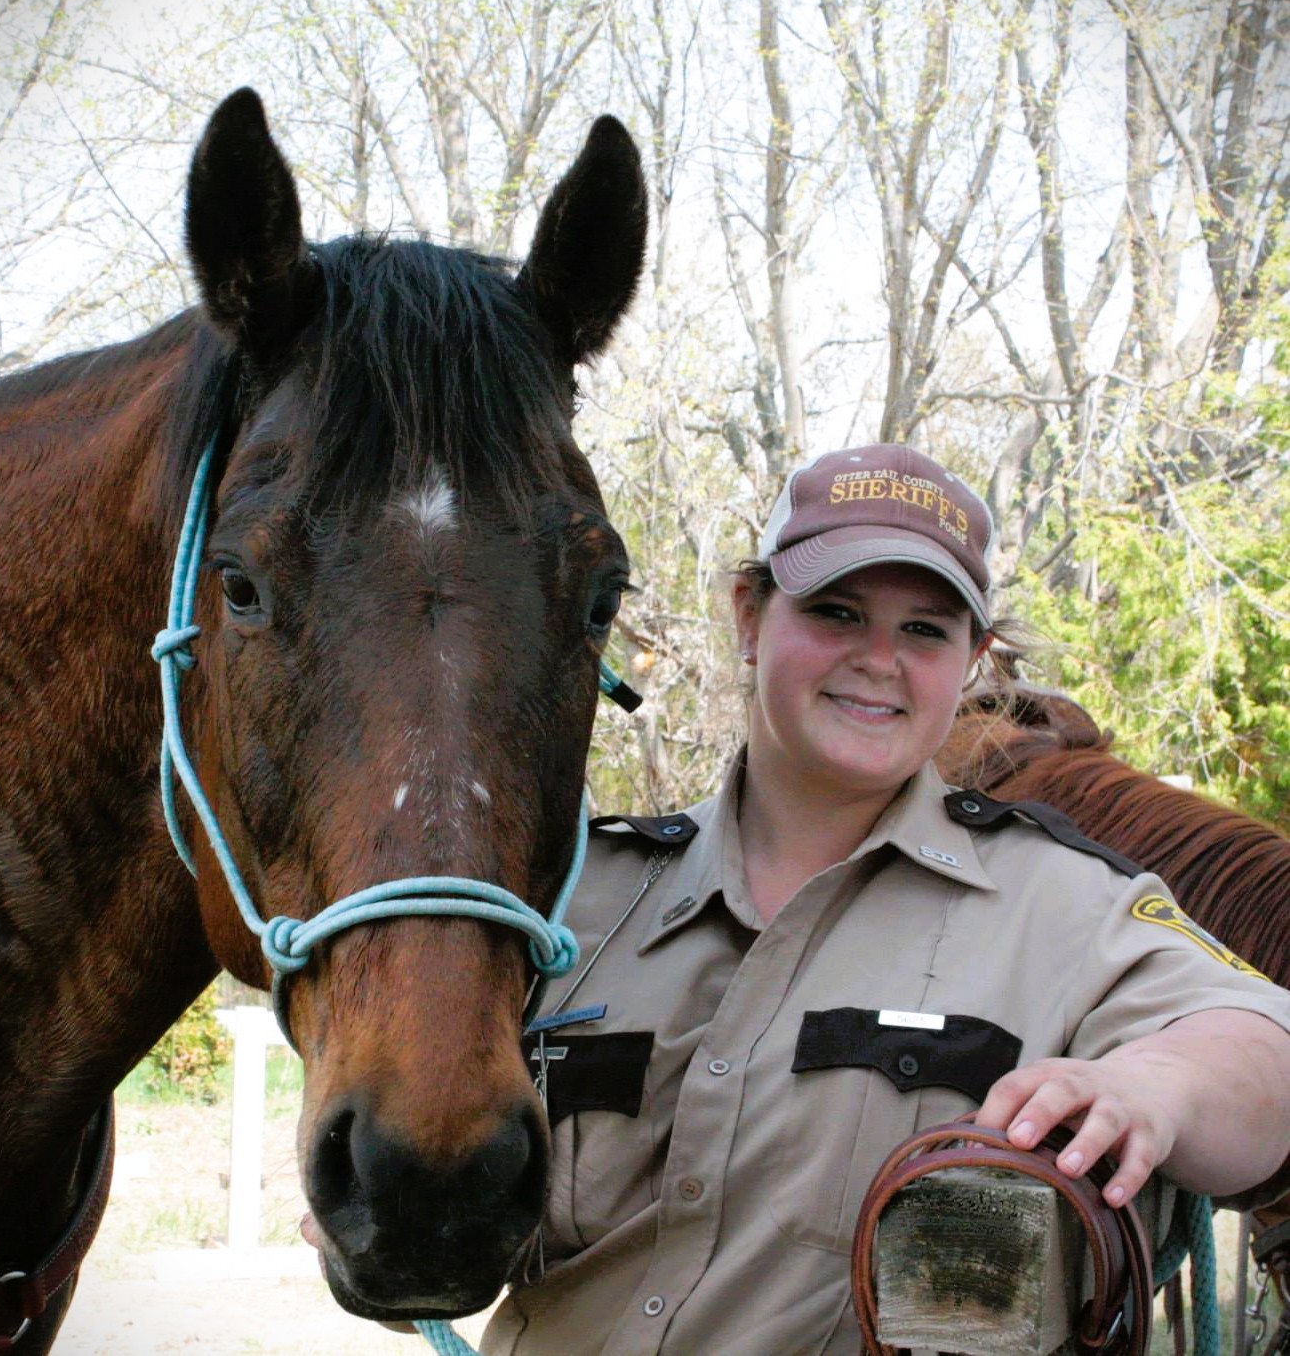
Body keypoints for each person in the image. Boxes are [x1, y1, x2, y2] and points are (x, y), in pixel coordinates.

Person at [481, 443, 1290, 1356]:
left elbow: (1266, 1051)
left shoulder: (1060, 902)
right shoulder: (571, 902)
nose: (878, 660)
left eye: (925, 631)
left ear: (973, 659)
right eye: (836, 612)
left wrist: (1150, 1090)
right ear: (750, 616)